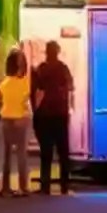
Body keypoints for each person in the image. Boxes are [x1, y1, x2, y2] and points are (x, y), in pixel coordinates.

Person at [32, 40, 73, 196]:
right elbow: (70, 86)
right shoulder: (63, 69)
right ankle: (64, 186)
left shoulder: (41, 69)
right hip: (60, 114)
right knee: (63, 152)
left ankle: (45, 186)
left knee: (46, 153)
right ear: (57, 52)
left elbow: (34, 91)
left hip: (44, 115)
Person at [0, 49, 31, 198]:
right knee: (21, 153)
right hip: (20, 118)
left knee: (6, 154)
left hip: (6, 118)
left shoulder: (3, 83)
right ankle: (23, 187)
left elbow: (1, 100)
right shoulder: (25, 82)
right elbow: (26, 100)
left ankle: (5, 187)